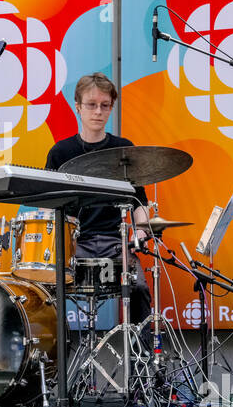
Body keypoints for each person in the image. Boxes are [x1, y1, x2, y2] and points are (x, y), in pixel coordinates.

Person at [46, 73, 153, 327]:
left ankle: (143, 360)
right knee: (45, 294)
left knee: (137, 288)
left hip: (115, 245)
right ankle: (53, 362)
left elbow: (140, 204)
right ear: (78, 107)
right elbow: (49, 210)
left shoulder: (123, 151)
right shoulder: (60, 153)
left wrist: (139, 233)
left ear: (111, 108)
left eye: (105, 105)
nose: (98, 111)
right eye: (91, 105)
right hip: (72, 247)